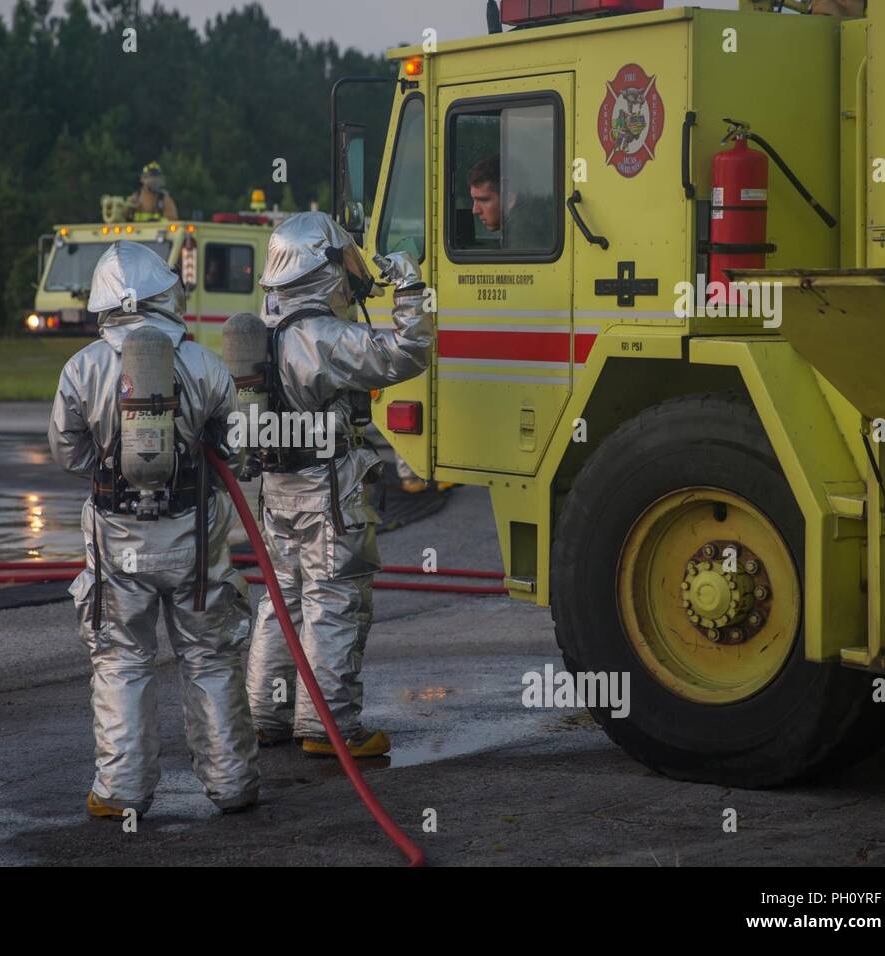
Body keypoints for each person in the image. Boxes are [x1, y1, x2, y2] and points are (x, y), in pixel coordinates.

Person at [48, 240, 259, 818]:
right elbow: (239, 448)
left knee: (122, 661)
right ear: (167, 294)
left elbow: (67, 453)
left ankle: (121, 794)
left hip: (117, 543)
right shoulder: (204, 362)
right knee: (211, 658)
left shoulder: (84, 366)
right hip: (194, 542)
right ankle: (234, 783)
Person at [244, 211, 433, 757]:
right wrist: (410, 285)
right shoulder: (323, 338)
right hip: (327, 489)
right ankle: (329, 728)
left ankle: (265, 714)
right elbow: (408, 352)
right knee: (335, 598)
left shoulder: (265, 334)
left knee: (282, 599)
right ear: (321, 269)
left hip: (275, 487)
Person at [468, 155, 552, 251]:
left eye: (483, 200)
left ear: (509, 200)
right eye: (474, 200)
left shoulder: (522, 233)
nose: (475, 210)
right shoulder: (537, 220)